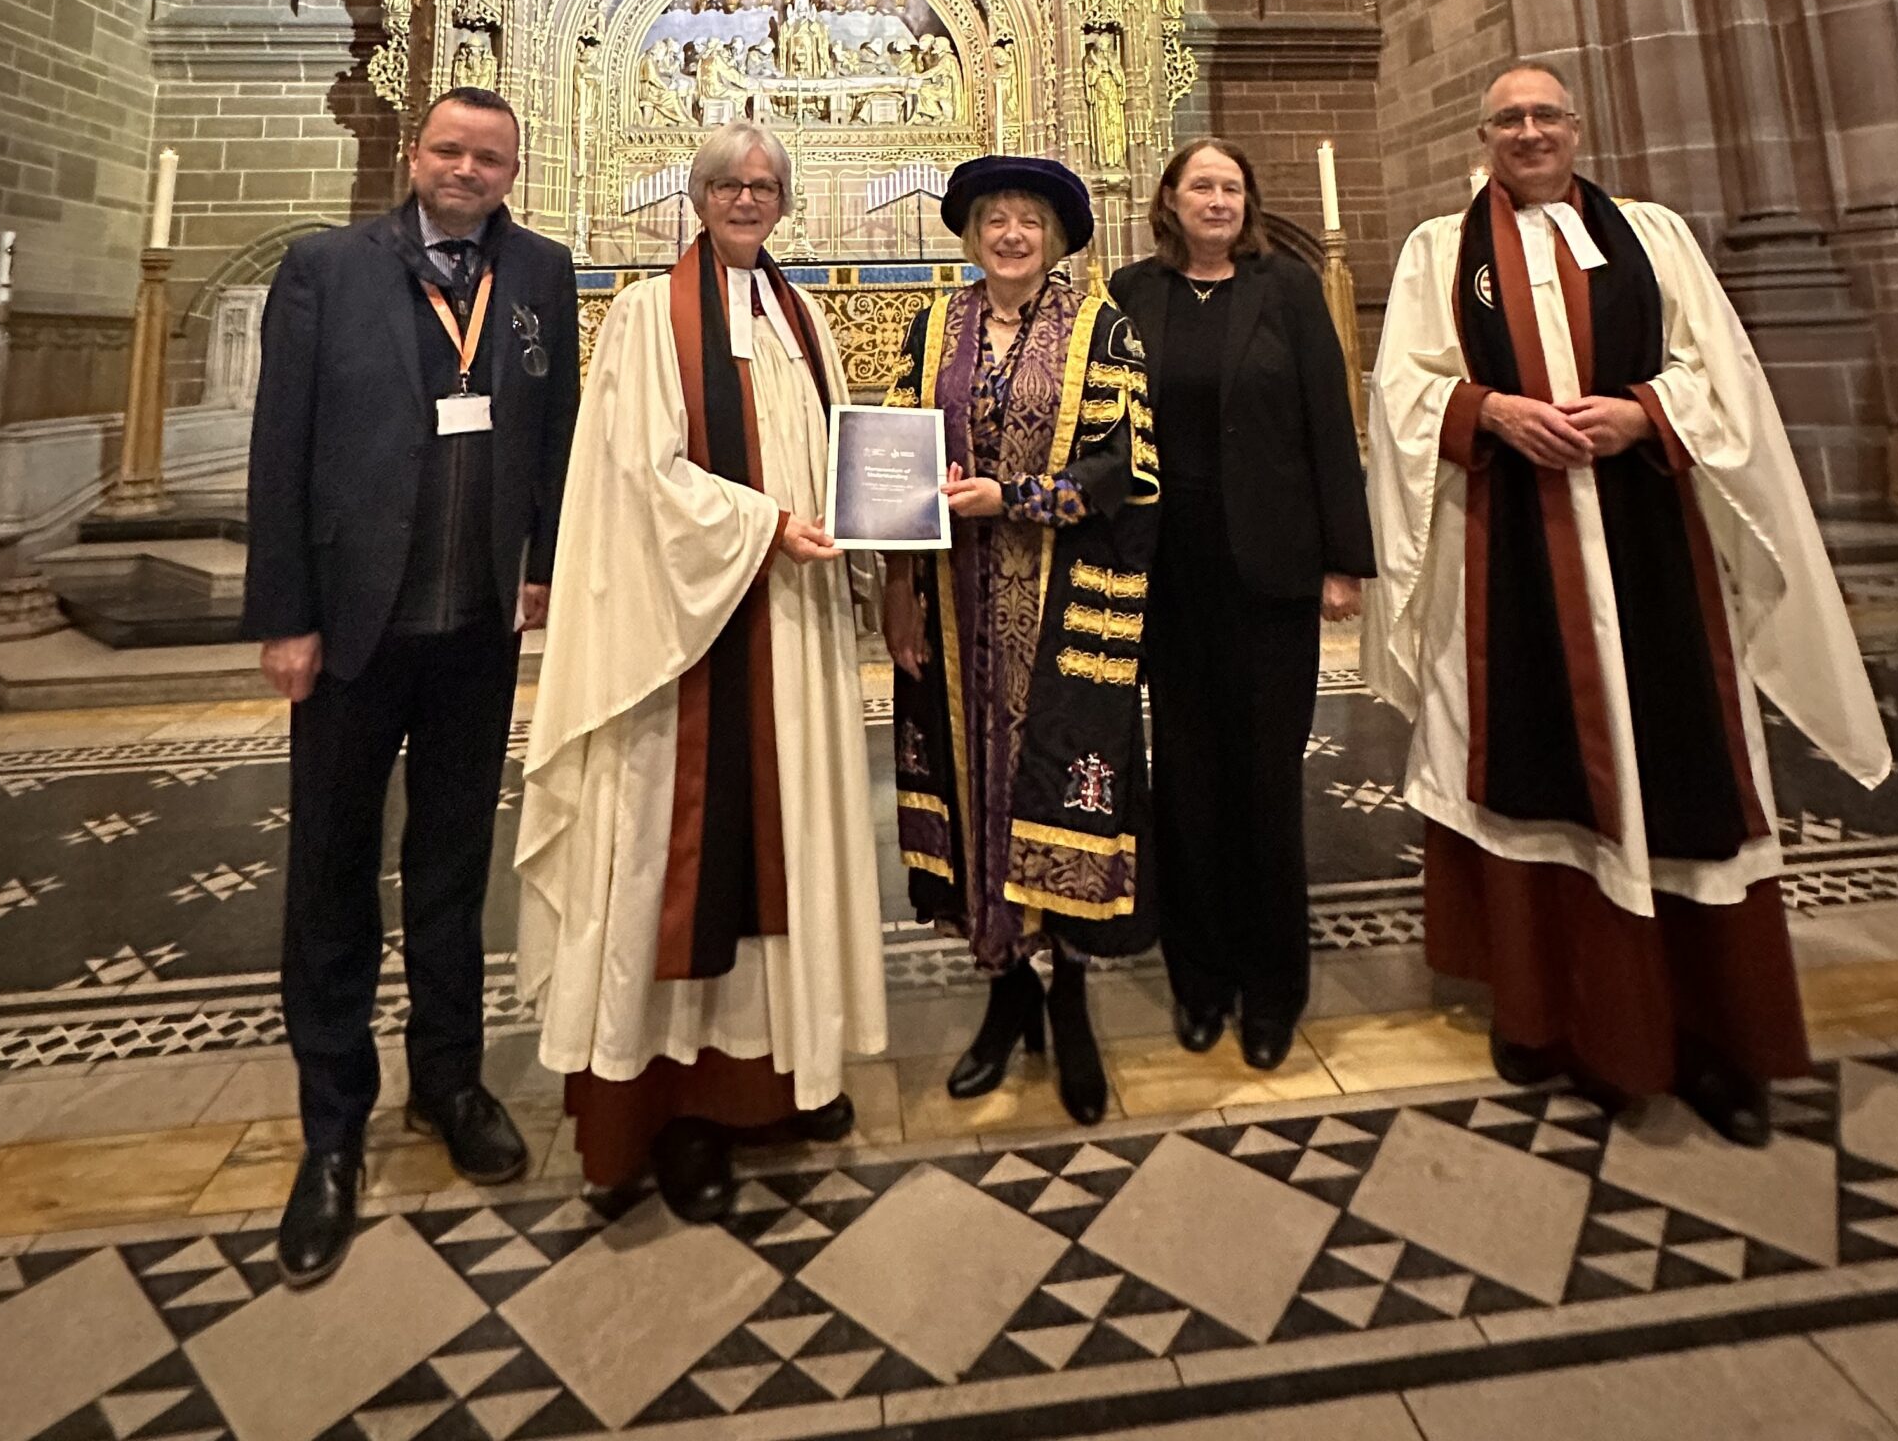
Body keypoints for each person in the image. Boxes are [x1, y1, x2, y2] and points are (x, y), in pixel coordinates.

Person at [1365, 61, 1891, 1144]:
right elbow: (1402, 388)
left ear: (1576, 127)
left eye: (1544, 114)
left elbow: (1724, 372)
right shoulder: (1437, 250)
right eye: (1508, 119)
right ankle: (1548, 1012)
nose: (1527, 132)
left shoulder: (1654, 236)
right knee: (1529, 762)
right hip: (1510, 549)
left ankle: (1717, 1037)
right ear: (1484, 136)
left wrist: (1645, 413)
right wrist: (1494, 410)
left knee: (1683, 768)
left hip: (1656, 554)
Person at [515, 124, 886, 1223]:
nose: (748, 198)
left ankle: (779, 1069)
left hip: (794, 629)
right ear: (697, 195)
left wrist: (883, 517)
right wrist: (770, 523)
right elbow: (642, 477)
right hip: (685, 639)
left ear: (786, 200)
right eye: (729, 183)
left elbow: (838, 454)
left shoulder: (803, 314)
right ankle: (671, 1104)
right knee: (677, 865)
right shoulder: (644, 316)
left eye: (766, 185)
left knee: (795, 841)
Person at [244, 87, 581, 1286]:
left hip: (475, 626)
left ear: (513, 168)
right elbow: (279, 444)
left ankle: (450, 1080)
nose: (468, 170)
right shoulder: (329, 267)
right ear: (415, 153)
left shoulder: (539, 271)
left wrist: (541, 568)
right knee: (332, 874)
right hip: (351, 627)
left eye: (490, 155)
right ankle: (332, 1130)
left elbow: (554, 435)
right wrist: (283, 614)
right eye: (451, 149)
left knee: (450, 867)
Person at [882, 155, 1160, 1126]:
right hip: (959, 608)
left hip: (1063, 599)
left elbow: (1126, 467)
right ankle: (1005, 994)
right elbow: (896, 465)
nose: (1009, 233)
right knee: (973, 789)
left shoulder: (1102, 327)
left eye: (1028, 220)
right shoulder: (933, 328)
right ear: (971, 234)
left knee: (1062, 787)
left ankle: (1070, 998)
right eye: (994, 218)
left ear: (1055, 238)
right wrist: (899, 589)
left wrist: (1021, 498)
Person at [1111, 140, 1373, 1068]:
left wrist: (1344, 562)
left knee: (1264, 782)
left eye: (1232, 185)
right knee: (1184, 777)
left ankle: (1273, 988)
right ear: (1170, 201)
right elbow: (1103, 424)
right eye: (1201, 185)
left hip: (1270, 573)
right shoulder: (1129, 292)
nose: (1217, 199)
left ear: (1246, 201)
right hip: (1169, 577)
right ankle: (1199, 978)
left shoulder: (1289, 289)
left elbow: (1327, 422)